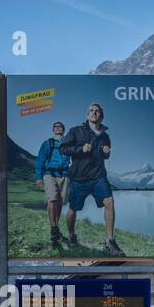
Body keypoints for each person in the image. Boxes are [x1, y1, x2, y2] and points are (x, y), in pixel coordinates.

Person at [59, 102, 124, 256]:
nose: (95, 113)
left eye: (98, 111)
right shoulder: (76, 131)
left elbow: (105, 155)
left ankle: (109, 242)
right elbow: (63, 148)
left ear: (102, 116)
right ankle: (71, 235)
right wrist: (80, 149)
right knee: (73, 209)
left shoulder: (105, 136)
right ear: (87, 115)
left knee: (109, 202)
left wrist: (107, 152)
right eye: (92, 111)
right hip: (79, 177)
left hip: (98, 176)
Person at [34, 121, 70, 249]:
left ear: (63, 130)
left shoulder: (68, 143)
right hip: (49, 174)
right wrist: (39, 176)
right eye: (55, 126)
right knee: (52, 199)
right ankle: (53, 228)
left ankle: (56, 226)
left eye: (60, 126)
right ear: (53, 129)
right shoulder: (47, 143)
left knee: (60, 202)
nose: (57, 128)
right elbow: (40, 160)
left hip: (64, 175)